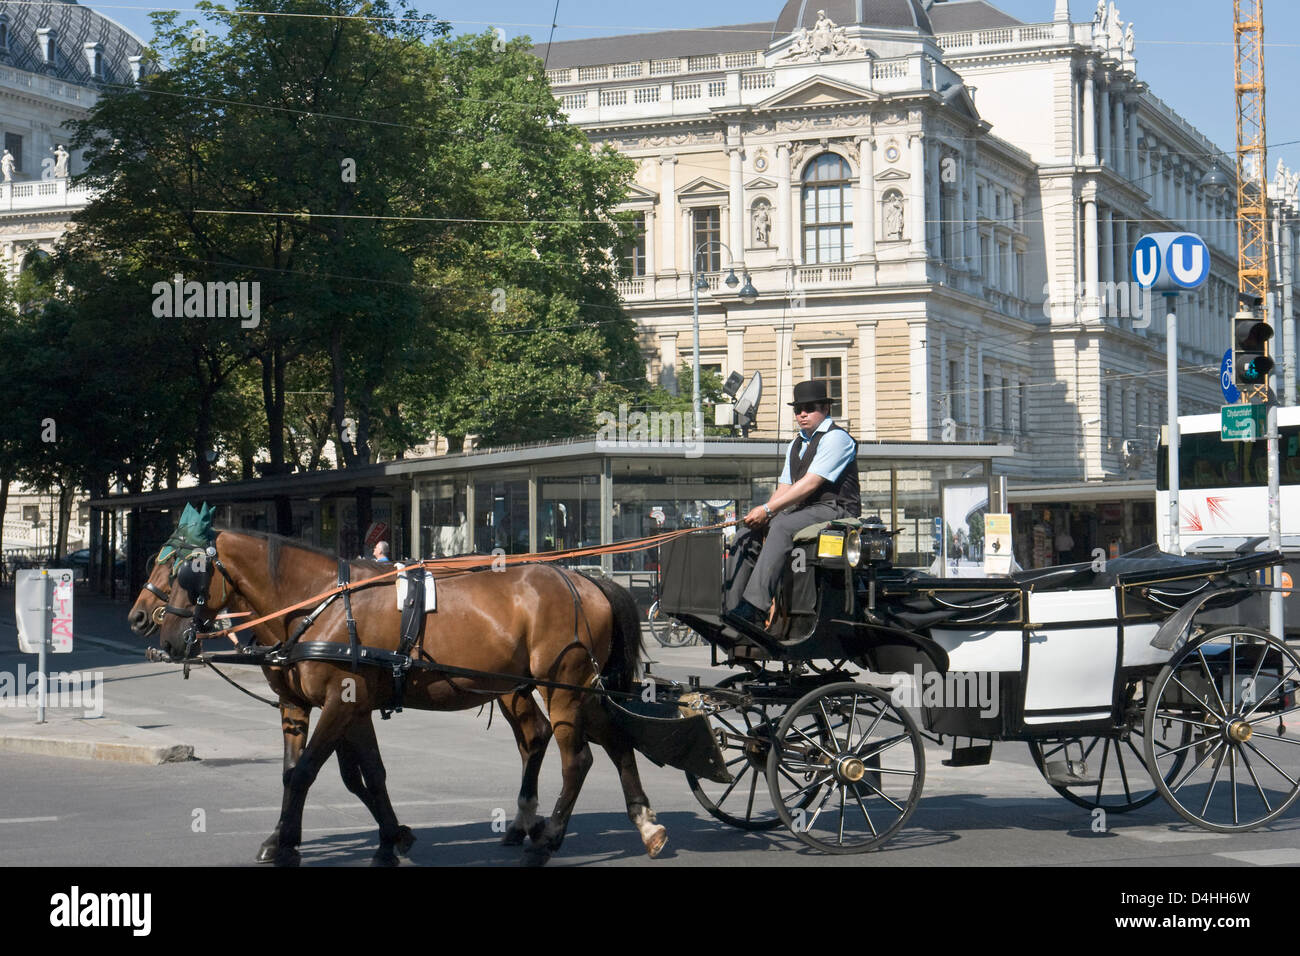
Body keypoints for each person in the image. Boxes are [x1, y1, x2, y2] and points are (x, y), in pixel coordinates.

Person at [725, 380, 860, 632]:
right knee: (745, 533)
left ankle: (754, 608)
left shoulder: (837, 438)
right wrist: (765, 512)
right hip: (806, 511)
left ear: (825, 409)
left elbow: (810, 484)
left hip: (836, 508)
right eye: (798, 409)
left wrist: (769, 511)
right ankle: (732, 607)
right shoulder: (795, 444)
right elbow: (785, 488)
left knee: (782, 526)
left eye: (809, 408)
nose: (802, 414)